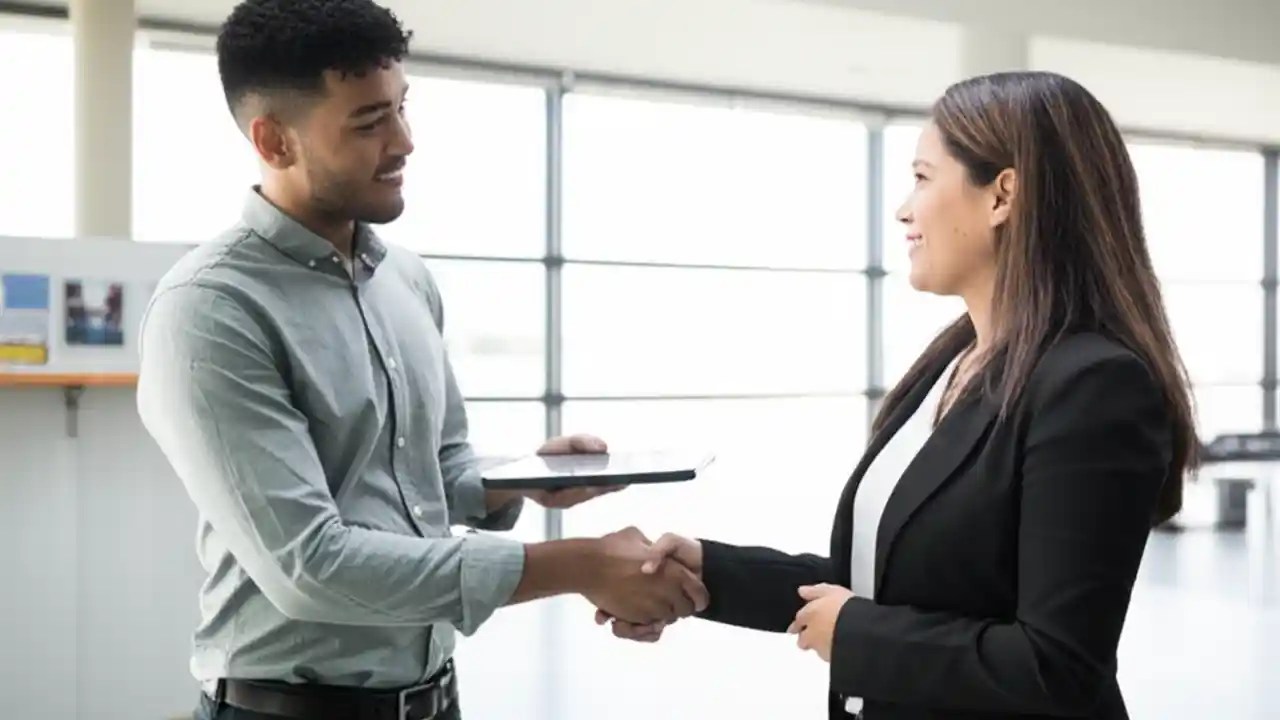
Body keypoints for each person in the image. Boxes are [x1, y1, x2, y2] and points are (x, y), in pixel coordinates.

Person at [136, 2, 706, 719]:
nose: (405, 141)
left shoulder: (404, 279)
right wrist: (580, 565)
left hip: (435, 700)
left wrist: (517, 481)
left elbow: (436, 472)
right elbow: (311, 566)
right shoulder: (211, 310)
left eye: (403, 108)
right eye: (370, 122)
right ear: (274, 140)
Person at [599, 71, 1198, 720]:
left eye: (922, 176)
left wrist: (856, 635)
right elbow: (887, 580)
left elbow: (1058, 665)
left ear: (1002, 196)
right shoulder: (952, 360)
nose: (904, 210)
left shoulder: (1093, 386)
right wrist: (709, 576)